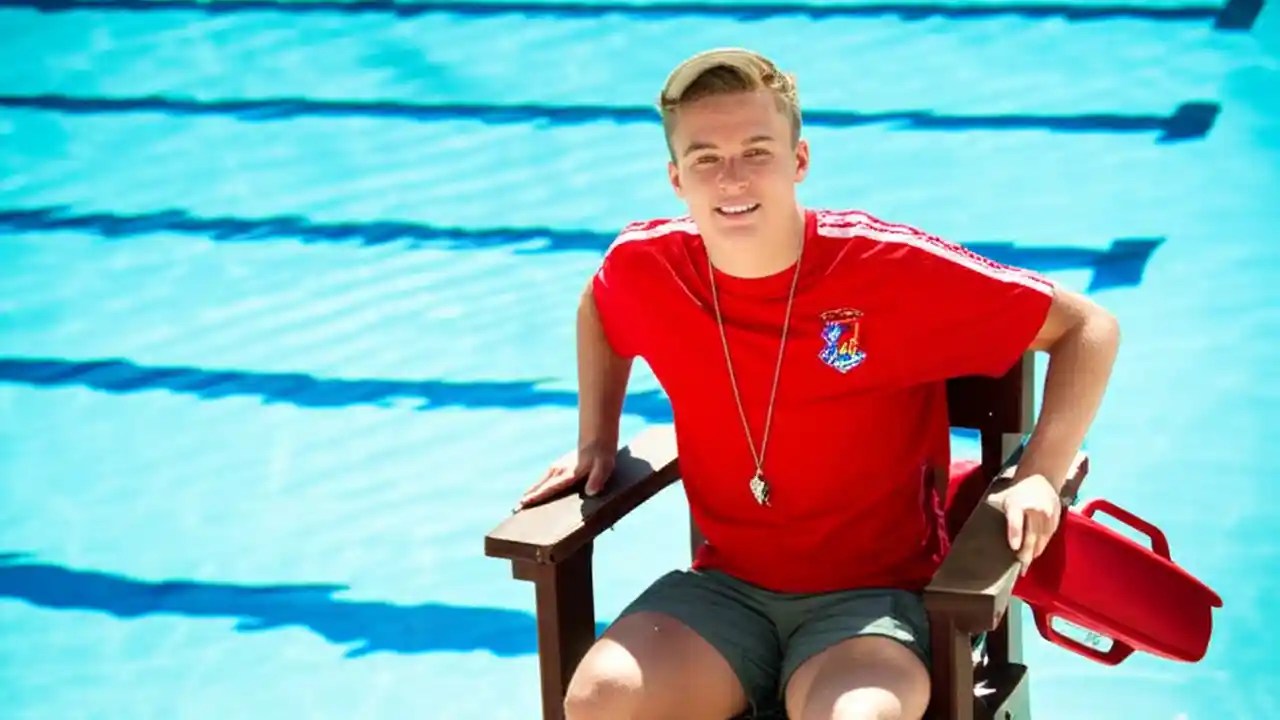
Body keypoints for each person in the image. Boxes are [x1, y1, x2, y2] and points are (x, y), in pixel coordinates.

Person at [515, 48, 1121, 720]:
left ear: (799, 160)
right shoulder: (648, 267)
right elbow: (599, 308)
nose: (731, 177)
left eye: (757, 150)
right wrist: (596, 437)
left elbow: (1088, 327)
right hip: (725, 593)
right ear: (676, 177)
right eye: (705, 158)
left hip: (874, 603)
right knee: (600, 702)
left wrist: (1041, 470)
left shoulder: (886, 266)